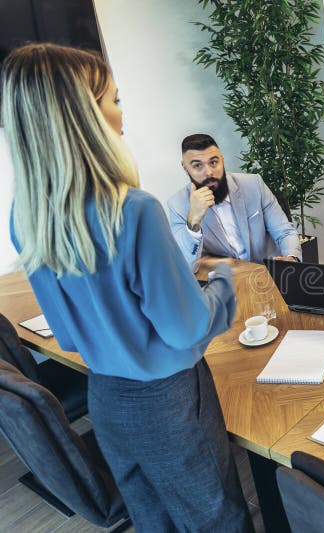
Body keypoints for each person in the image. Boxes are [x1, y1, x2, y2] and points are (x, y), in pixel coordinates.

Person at [2, 44, 253, 531]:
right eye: (114, 101)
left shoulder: (28, 218)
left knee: (152, 518)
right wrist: (223, 281)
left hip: (107, 401)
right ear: (85, 117)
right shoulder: (134, 210)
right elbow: (186, 330)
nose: (122, 116)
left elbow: (68, 339)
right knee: (216, 519)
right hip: (170, 403)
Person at [167, 134, 301, 271]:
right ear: (185, 168)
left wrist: (291, 258)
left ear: (222, 160)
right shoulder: (178, 205)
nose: (209, 172)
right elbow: (187, 266)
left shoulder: (254, 184)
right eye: (197, 166)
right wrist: (193, 221)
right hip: (224, 284)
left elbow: (284, 232)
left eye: (213, 162)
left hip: (266, 276)